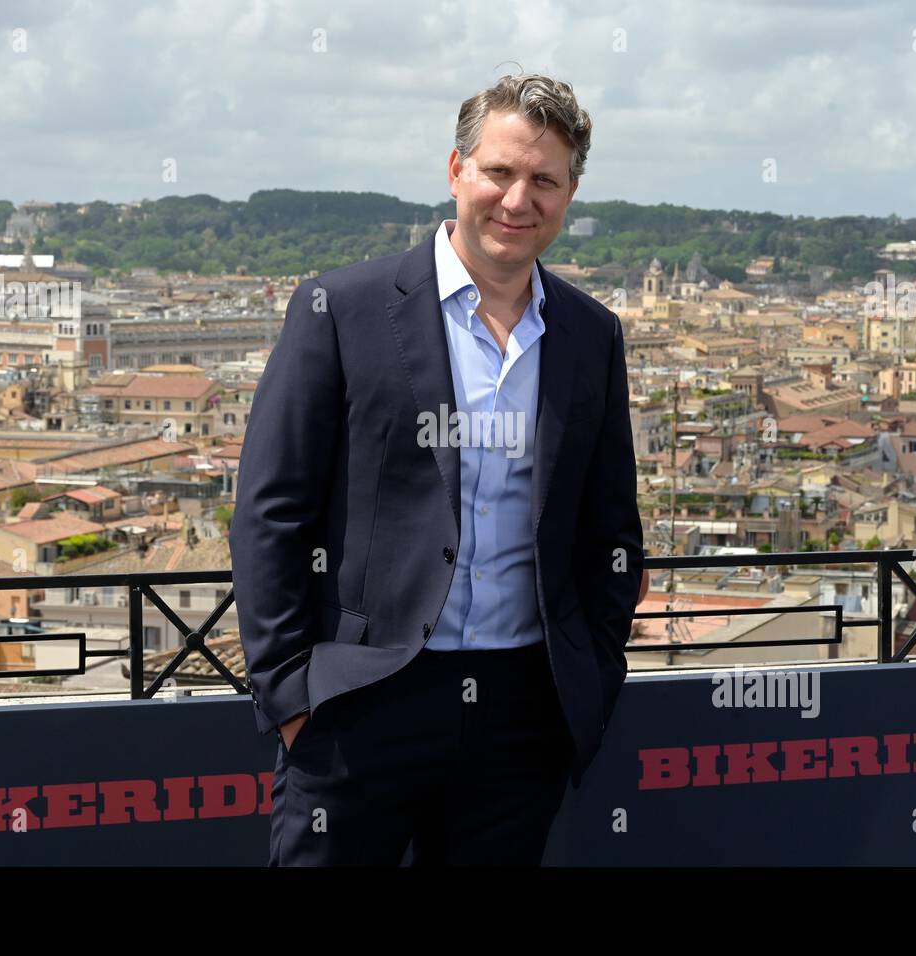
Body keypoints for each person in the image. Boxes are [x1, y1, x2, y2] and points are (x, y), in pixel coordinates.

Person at [229, 72, 644, 866]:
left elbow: (609, 527)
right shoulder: (339, 310)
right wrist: (290, 693)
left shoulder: (593, 337)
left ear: (571, 194)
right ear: (456, 171)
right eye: (499, 172)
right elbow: (269, 511)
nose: (517, 199)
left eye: (544, 180)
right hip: (360, 700)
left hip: (523, 709)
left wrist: (591, 673)